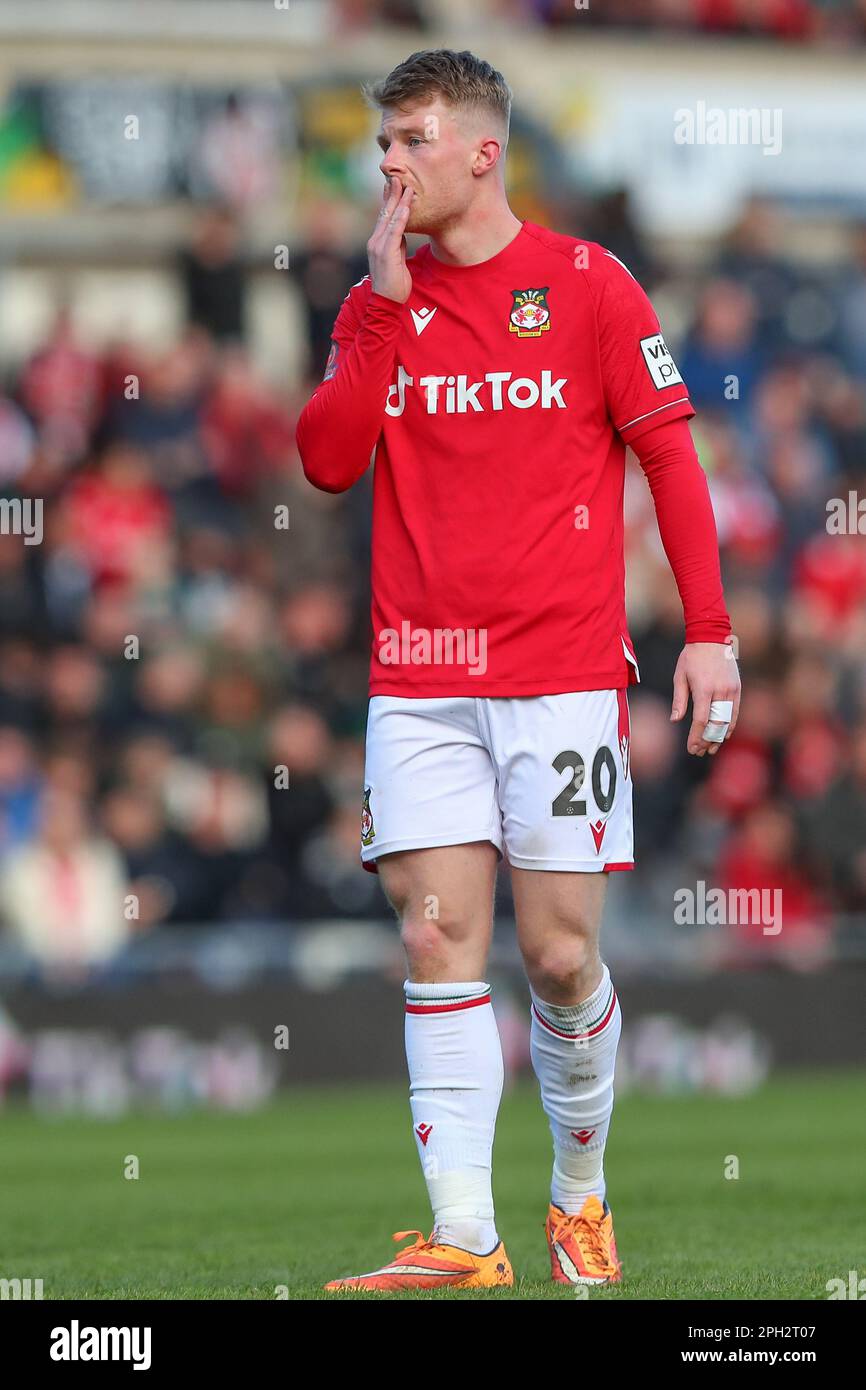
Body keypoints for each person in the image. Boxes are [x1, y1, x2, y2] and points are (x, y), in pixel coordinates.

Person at [295, 48, 741, 1291]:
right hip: (419, 678)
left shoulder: (589, 287)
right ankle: (464, 1234)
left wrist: (706, 630)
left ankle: (579, 1195)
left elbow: (671, 461)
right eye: (381, 142)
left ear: (481, 151)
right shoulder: (375, 301)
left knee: (554, 957)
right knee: (437, 941)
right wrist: (379, 307)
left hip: (558, 677)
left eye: (410, 139)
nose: (388, 161)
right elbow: (328, 459)